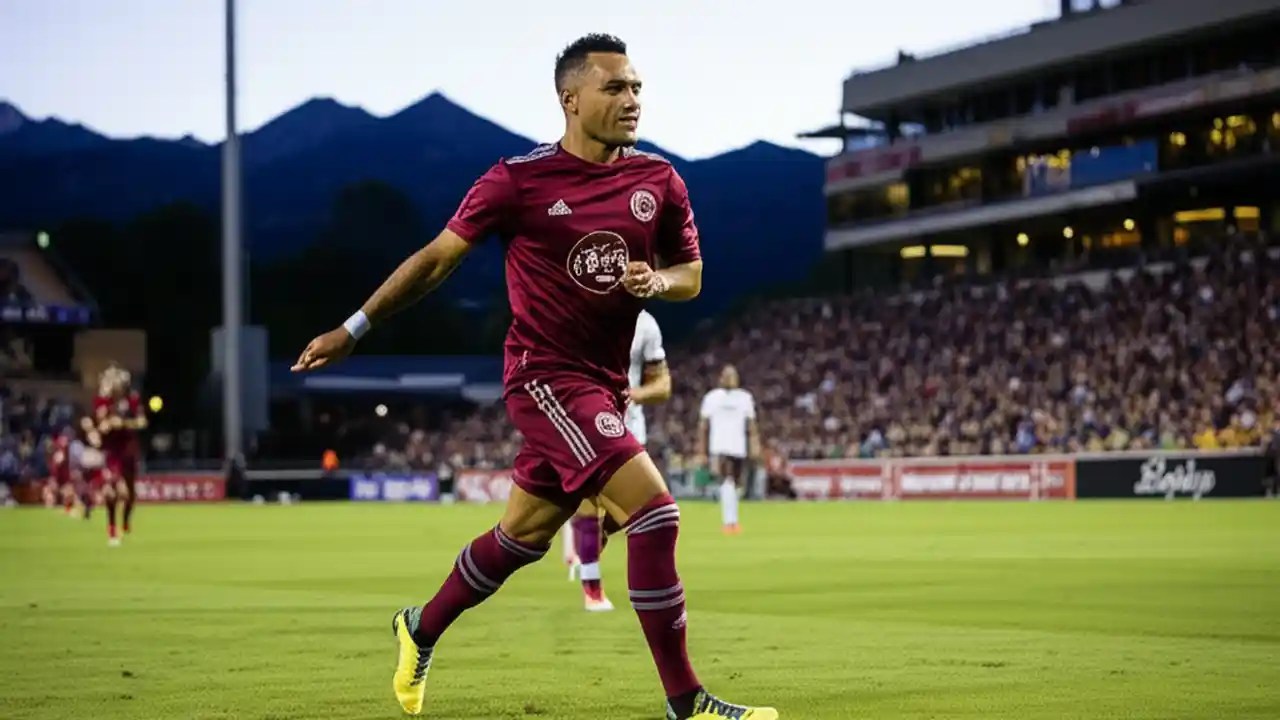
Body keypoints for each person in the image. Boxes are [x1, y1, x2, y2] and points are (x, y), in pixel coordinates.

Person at [291, 33, 777, 720]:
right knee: (656, 513)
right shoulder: (516, 181)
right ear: (570, 99)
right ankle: (686, 702)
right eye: (615, 88)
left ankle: (418, 627)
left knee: (521, 538)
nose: (632, 99)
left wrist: (656, 279)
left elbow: (691, 277)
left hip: (602, 386)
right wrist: (354, 329)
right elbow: (435, 261)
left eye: (636, 86)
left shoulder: (660, 182)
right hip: (543, 378)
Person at [566, 308, 671, 612]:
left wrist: (634, 393)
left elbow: (663, 386)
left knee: (646, 511)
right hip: (586, 421)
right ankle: (592, 589)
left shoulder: (645, 323)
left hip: (631, 427)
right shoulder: (580, 313)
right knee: (590, 505)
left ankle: (587, 545)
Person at [696, 365, 759, 534]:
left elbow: (751, 425)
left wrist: (754, 446)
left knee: (736, 485)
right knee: (727, 480)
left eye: (733, 375)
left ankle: (732, 519)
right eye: (727, 375)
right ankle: (729, 522)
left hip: (738, 447)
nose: (730, 378)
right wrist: (701, 451)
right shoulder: (712, 398)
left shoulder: (745, 398)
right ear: (721, 378)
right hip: (719, 446)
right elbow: (703, 426)